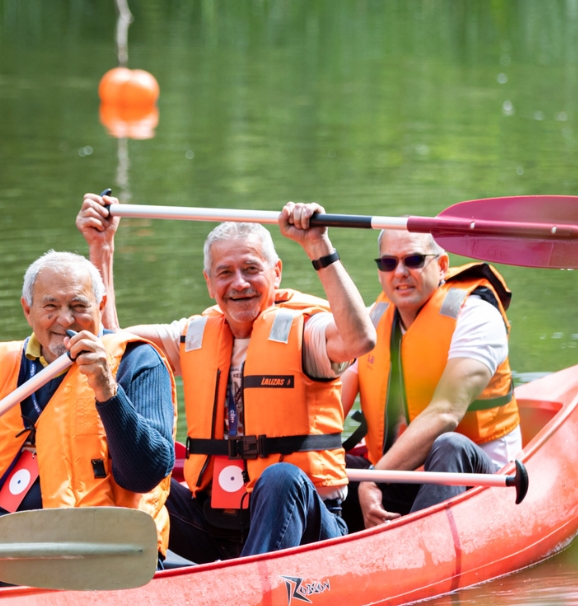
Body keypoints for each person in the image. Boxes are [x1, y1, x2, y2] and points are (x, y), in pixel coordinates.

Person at [76, 194, 376, 562]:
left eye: (251, 269)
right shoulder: (193, 335)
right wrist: (101, 247)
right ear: (208, 281)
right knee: (138, 472)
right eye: (225, 272)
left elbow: (360, 339)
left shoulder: (308, 332)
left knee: (281, 478)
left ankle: (252, 590)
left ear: (276, 272)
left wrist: (317, 243)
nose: (240, 284)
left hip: (304, 523)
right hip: (214, 522)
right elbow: (114, 346)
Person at [0, 250, 176, 576]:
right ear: (27, 309)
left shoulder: (138, 361)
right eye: (51, 306)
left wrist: (107, 389)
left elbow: (146, 475)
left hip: (95, 546)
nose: (65, 320)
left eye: (79, 306)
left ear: (101, 307)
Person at [340, 230, 519, 530]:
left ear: (443, 265)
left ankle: (420, 552)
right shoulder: (374, 320)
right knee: (316, 466)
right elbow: (330, 409)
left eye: (413, 260)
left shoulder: (477, 316)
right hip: (396, 475)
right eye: (388, 262)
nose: (400, 272)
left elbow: (446, 412)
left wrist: (373, 479)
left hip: (475, 478)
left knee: (449, 446)